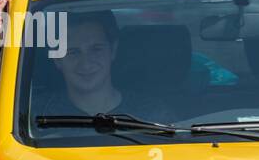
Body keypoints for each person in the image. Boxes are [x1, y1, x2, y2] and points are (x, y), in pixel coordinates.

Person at [34, 10, 171, 122]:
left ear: (113, 50)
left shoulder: (152, 114)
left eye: (96, 49)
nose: (86, 63)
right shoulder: (35, 116)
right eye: (73, 52)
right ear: (57, 59)